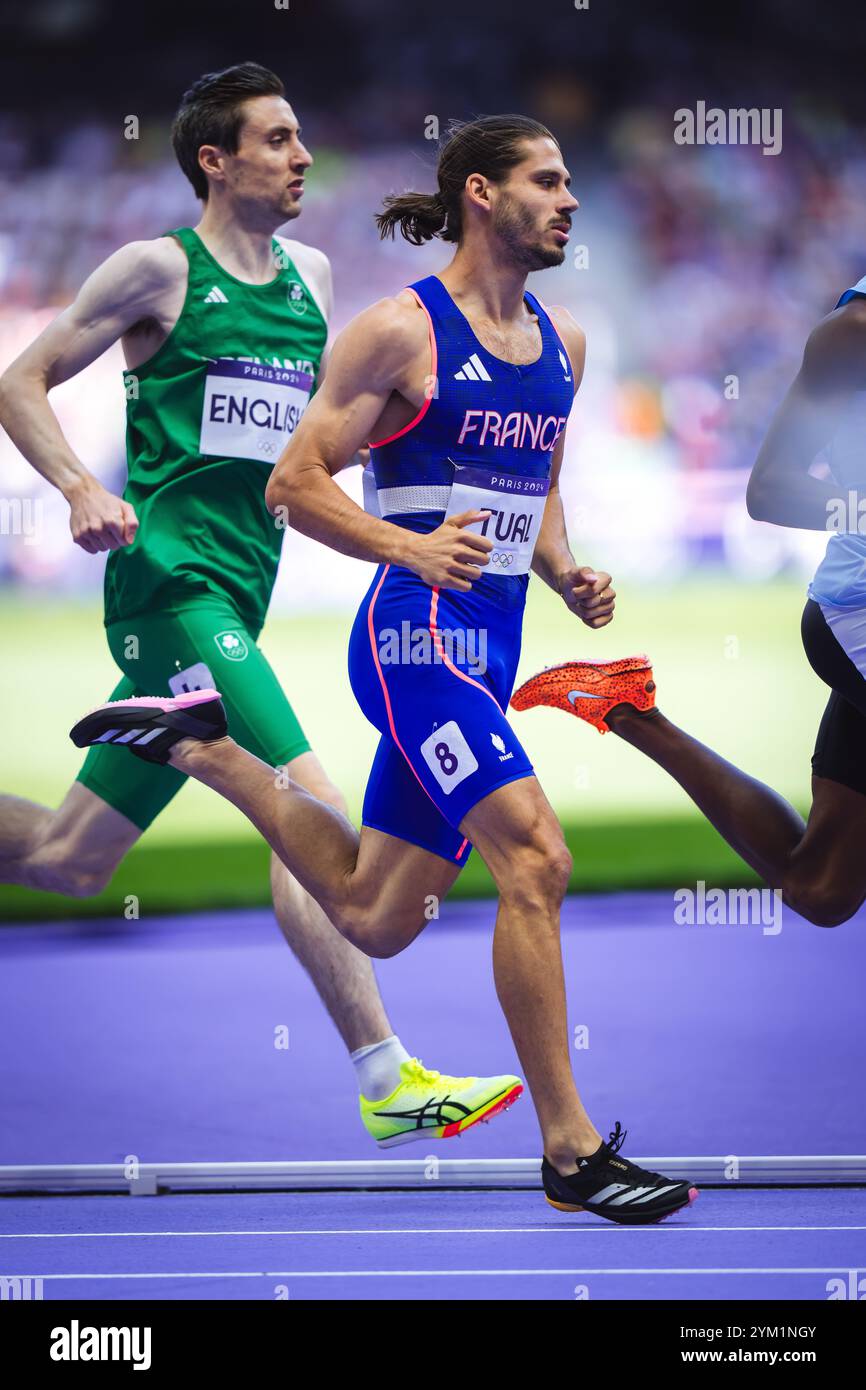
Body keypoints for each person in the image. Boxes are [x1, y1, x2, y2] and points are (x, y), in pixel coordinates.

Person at [72, 114, 699, 1223]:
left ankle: (204, 750)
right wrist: (409, 547)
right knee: (537, 859)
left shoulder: (567, 343)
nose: (567, 200)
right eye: (544, 182)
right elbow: (295, 483)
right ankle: (571, 1151)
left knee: (374, 915)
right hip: (414, 639)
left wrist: (562, 572)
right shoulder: (396, 332)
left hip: (490, 640)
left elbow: (535, 485)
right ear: (476, 194)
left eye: (567, 182)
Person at [0, 63, 522, 1148]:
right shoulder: (157, 269)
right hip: (172, 587)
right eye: (277, 140)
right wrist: (80, 487)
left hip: (240, 592)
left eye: (301, 138)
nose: (300, 158)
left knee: (69, 860)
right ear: (215, 159)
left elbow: (327, 430)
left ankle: (384, 1075)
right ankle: (387, 1077)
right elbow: (19, 379)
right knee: (314, 816)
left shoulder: (314, 278)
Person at [512, 274, 866, 929]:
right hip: (858, 615)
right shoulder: (853, 334)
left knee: (822, 888)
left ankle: (629, 711)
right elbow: (771, 489)